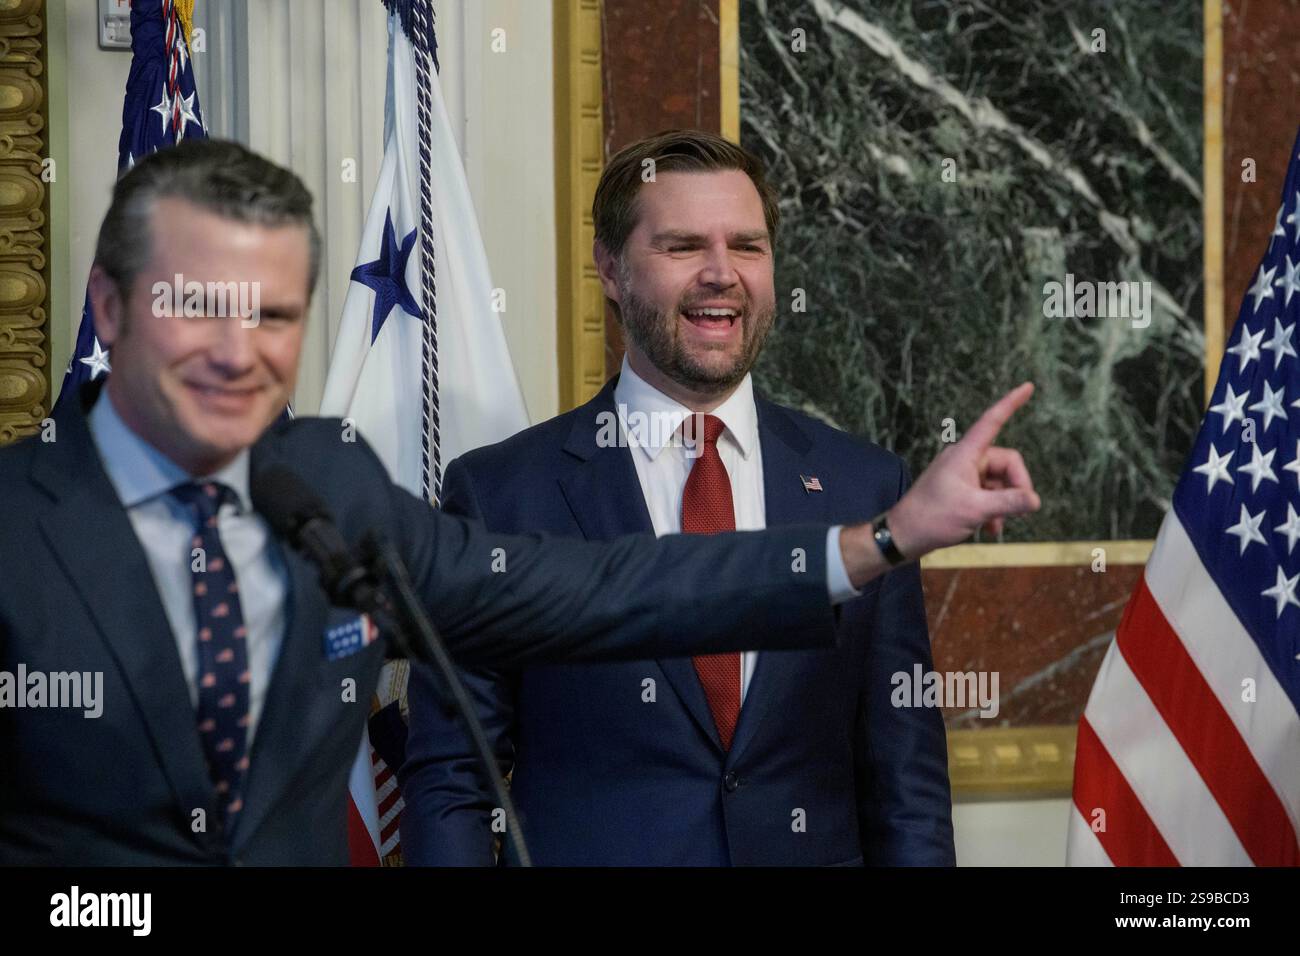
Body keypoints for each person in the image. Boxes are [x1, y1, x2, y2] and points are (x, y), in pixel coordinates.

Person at [0, 139, 1038, 865]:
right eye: (199, 305)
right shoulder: (18, 518)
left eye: (273, 312)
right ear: (109, 304)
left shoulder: (327, 480)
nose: (238, 350)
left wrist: (884, 536)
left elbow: (602, 590)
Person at [399, 130, 985, 866]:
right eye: (681, 247)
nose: (722, 274)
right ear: (609, 268)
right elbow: (452, 780)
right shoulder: (501, 496)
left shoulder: (865, 488)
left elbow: (908, 784)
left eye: (747, 245)